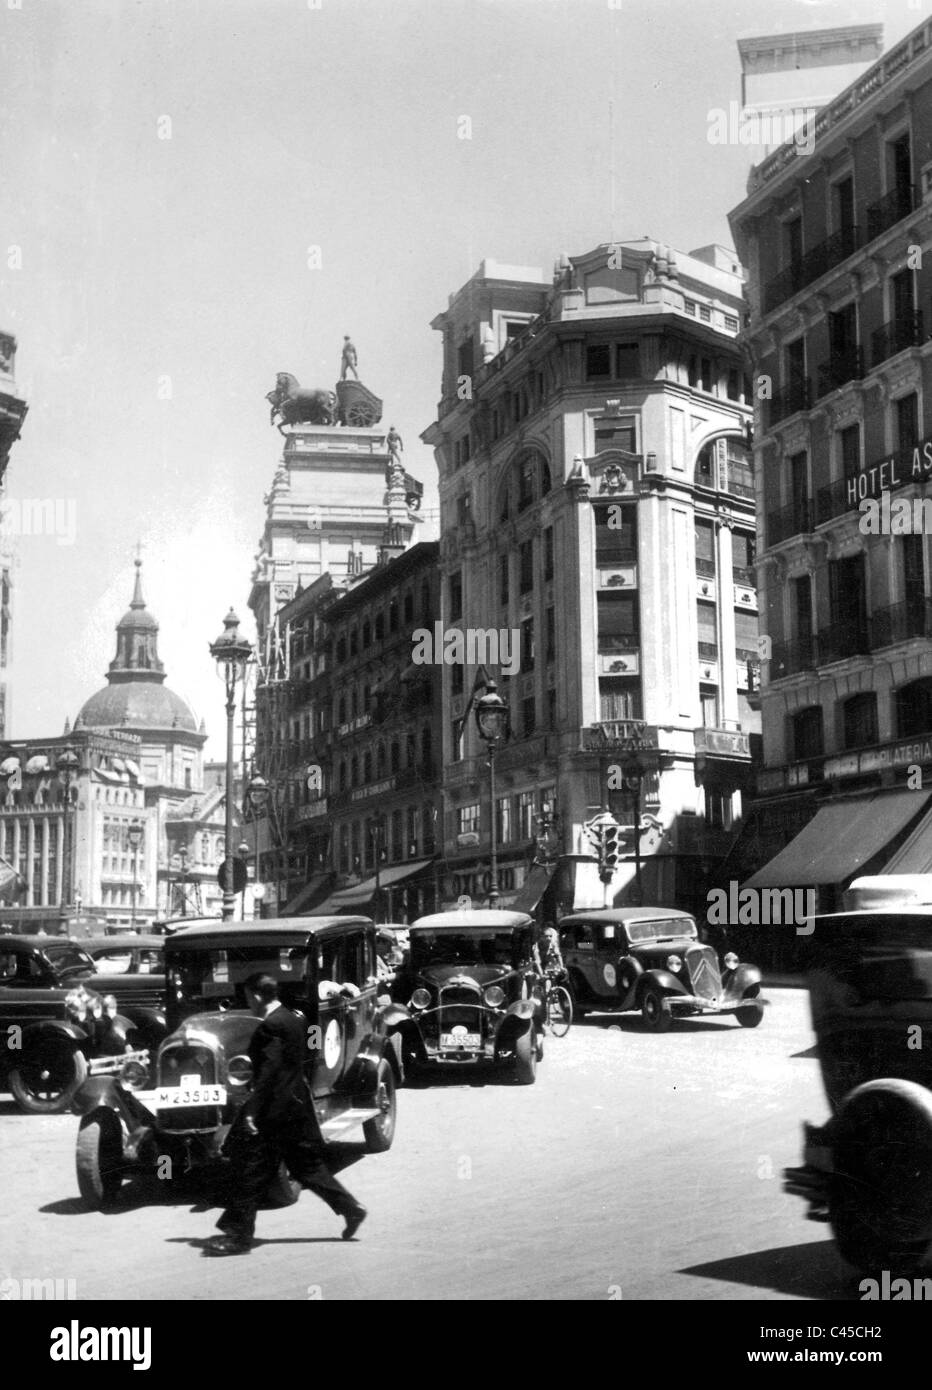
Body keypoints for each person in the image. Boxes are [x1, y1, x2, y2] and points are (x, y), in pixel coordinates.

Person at [206, 973, 366, 1256]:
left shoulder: (271, 1025)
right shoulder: (294, 1018)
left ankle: (239, 1237)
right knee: (307, 1167)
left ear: (255, 995)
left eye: (246, 996)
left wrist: (252, 1113)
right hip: (296, 1105)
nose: (247, 1001)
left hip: (274, 1110)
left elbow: (268, 1073)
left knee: (250, 1169)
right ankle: (350, 1209)